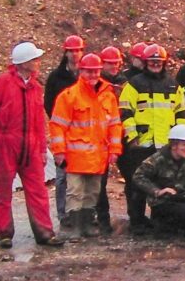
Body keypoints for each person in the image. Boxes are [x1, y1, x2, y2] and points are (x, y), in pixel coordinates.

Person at [0, 41, 63, 248]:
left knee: (38, 191)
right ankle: (4, 233)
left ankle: (45, 233)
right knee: (2, 190)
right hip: (6, 143)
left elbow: (38, 121)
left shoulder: (35, 86)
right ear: (24, 63)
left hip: (31, 147)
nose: (38, 62)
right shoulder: (2, 83)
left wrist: (43, 150)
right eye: (34, 59)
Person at [48, 53, 122, 238]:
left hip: (98, 157)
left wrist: (115, 150)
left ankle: (88, 225)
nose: (92, 75)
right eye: (89, 72)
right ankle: (74, 227)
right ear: (81, 71)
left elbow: (114, 125)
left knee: (92, 193)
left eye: (95, 71)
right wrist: (59, 152)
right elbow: (57, 126)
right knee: (75, 193)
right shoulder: (69, 96)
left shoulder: (108, 96)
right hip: (75, 157)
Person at [118, 44, 185, 234]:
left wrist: (179, 141)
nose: (156, 64)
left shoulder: (173, 85)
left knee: (164, 184)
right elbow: (125, 113)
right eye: (152, 61)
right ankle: (137, 222)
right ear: (146, 63)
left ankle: (159, 222)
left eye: (159, 61)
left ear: (164, 62)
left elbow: (182, 114)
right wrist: (133, 137)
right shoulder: (134, 84)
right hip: (142, 144)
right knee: (137, 185)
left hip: (165, 145)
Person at [132, 124, 185, 239]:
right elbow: (138, 176)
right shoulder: (157, 159)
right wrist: (157, 191)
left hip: (181, 195)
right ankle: (164, 227)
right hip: (163, 201)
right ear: (174, 145)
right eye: (184, 145)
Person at [44, 34, 85, 227]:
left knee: (85, 175)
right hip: (64, 133)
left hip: (86, 133)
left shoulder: (89, 74)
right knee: (62, 177)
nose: (75, 54)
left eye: (78, 50)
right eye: (72, 50)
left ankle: (84, 214)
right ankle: (64, 215)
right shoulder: (56, 77)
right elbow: (48, 105)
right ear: (66, 52)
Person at [95, 45, 126, 235]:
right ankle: (102, 219)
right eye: (110, 63)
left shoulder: (125, 83)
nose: (114, 66)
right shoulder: (96, 84)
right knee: (98, 184)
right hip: (98, 140)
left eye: (116, 63)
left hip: (121, 136)